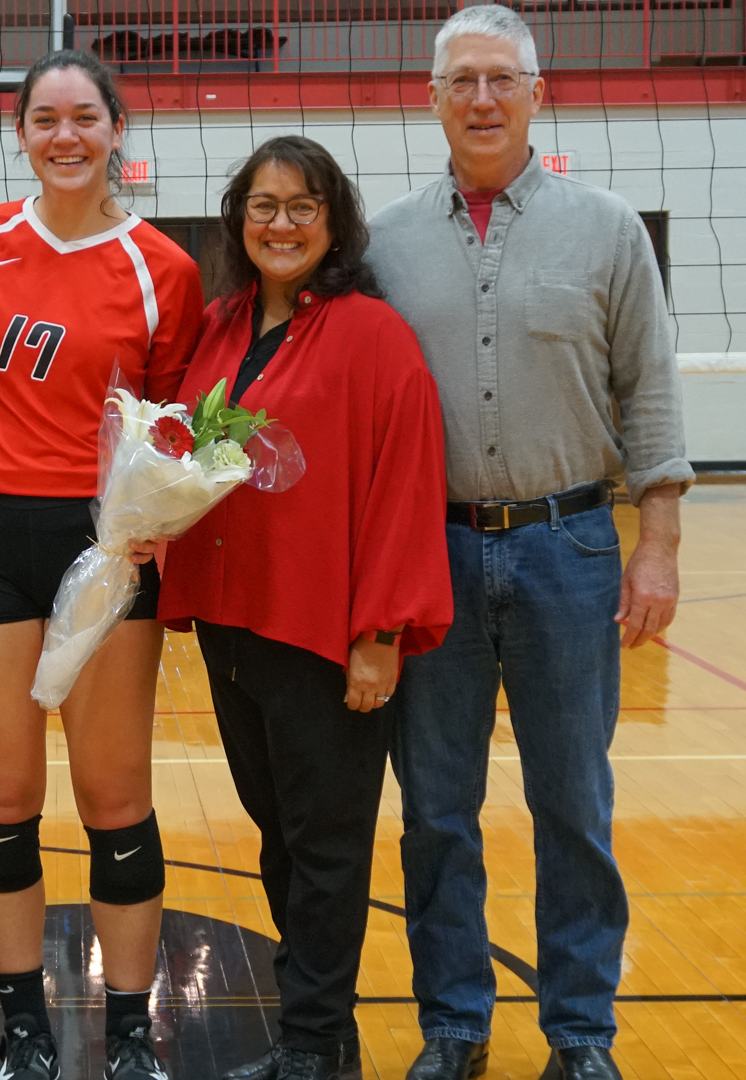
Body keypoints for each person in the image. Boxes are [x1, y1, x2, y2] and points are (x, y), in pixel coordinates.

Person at [363, 8, 691, 1080]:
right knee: (436, 812)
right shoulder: (382, 243)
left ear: (537, 94)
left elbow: (651, 396)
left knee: (574, 808)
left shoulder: (608, 230)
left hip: (571, 547)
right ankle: (454, 1026)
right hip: (432, 559)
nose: (483, 99)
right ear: (432, 99)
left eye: (502, 78)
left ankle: (582, 1034)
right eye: (462, 80)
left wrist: (658, 545)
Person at [155, 135, 454, 1080]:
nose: (280, 224)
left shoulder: (374, 334)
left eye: (301, 207)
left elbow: (405, 486)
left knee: (325, 847)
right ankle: (319, 1034)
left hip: (323, 629)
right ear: (238, 218)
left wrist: (381, 633)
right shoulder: (221, 324)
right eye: (263, 206)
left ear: (334, 223)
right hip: (234, 623)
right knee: (279, 837)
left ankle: (316, 1045)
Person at [0, 50, 205, 1080]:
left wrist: (152, 527)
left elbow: (174, 430)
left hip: (104, 543)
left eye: (84, 116)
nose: (65, 136)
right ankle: (25, 1031)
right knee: (2, 793)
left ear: (116, 128)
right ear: (20, 135)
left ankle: (130, 1031)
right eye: (44, 119)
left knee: (115, 794)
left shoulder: (162, 267)